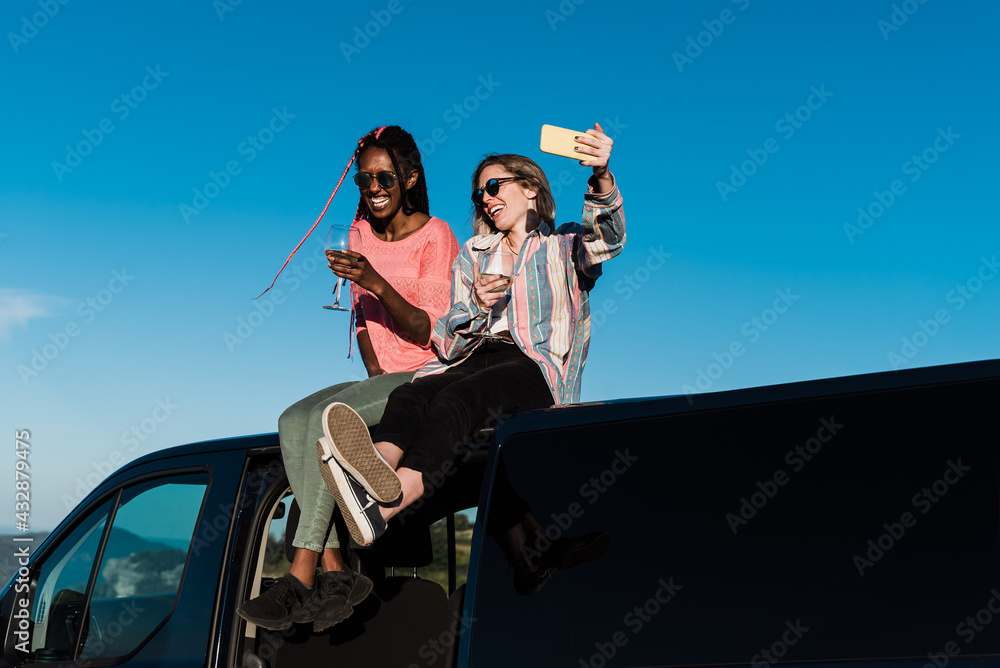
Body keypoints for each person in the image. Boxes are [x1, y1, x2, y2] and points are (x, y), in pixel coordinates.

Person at [316, 122, 624, 559]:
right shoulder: (474, 255)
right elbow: (447, 342)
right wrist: (476, 304)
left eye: (495, 186)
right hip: (476, 354)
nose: (486, 198)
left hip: (531, 366)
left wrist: (600, 176)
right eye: (480, 193)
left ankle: (385, 507)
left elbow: (608, 240)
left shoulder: (565, 244)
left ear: (531, 188)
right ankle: (369, 474)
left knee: (457, 400)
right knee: (413, 392)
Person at [237, 126, 459, 631]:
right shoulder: (358, 235)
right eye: (364, 180)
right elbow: (360, 319)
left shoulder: (436, 235)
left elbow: (429, 329)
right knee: (293, 418)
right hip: (384, 378)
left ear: (409, 177)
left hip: (425, 374)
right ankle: (337, 573)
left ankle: (300, 574)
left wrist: (374, 279)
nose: (373, 188)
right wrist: (374, 379)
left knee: (322, 419)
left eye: (384, 177)